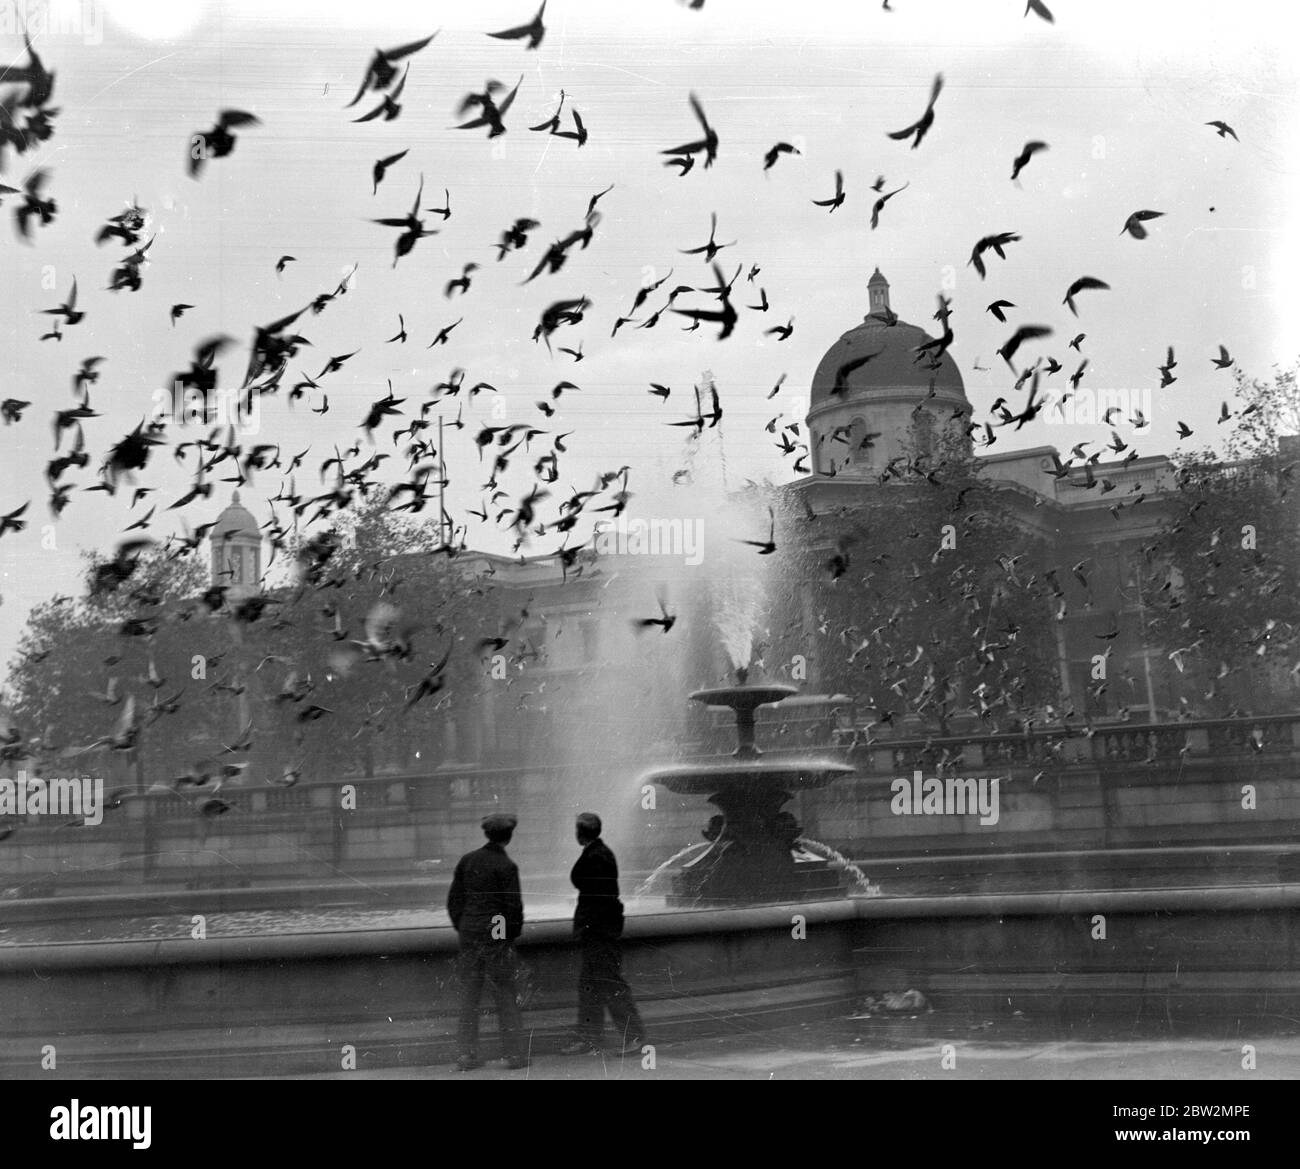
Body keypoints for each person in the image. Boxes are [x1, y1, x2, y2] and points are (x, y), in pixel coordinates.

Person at [446, 812, 528, 1071]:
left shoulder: (468, 860)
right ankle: (514, 1055)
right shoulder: (506, 866)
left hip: (470, 933)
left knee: (469, 996)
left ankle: (466, 1055)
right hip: (495, 934)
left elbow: (454, 902)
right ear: (509, 836)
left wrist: (465, 926)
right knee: (504, 993)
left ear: (487, 834)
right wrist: (505, 936)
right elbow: (512, 909)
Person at [561, 812, 647, 1055]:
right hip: (597, 931)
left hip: (600, 932)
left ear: (580, 833)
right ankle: (590, 1039)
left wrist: (590, 927)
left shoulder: (597, 855)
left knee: (610, 984)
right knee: (589, 986)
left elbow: (601, 898)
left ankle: (635, 1037)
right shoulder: (597, 852)